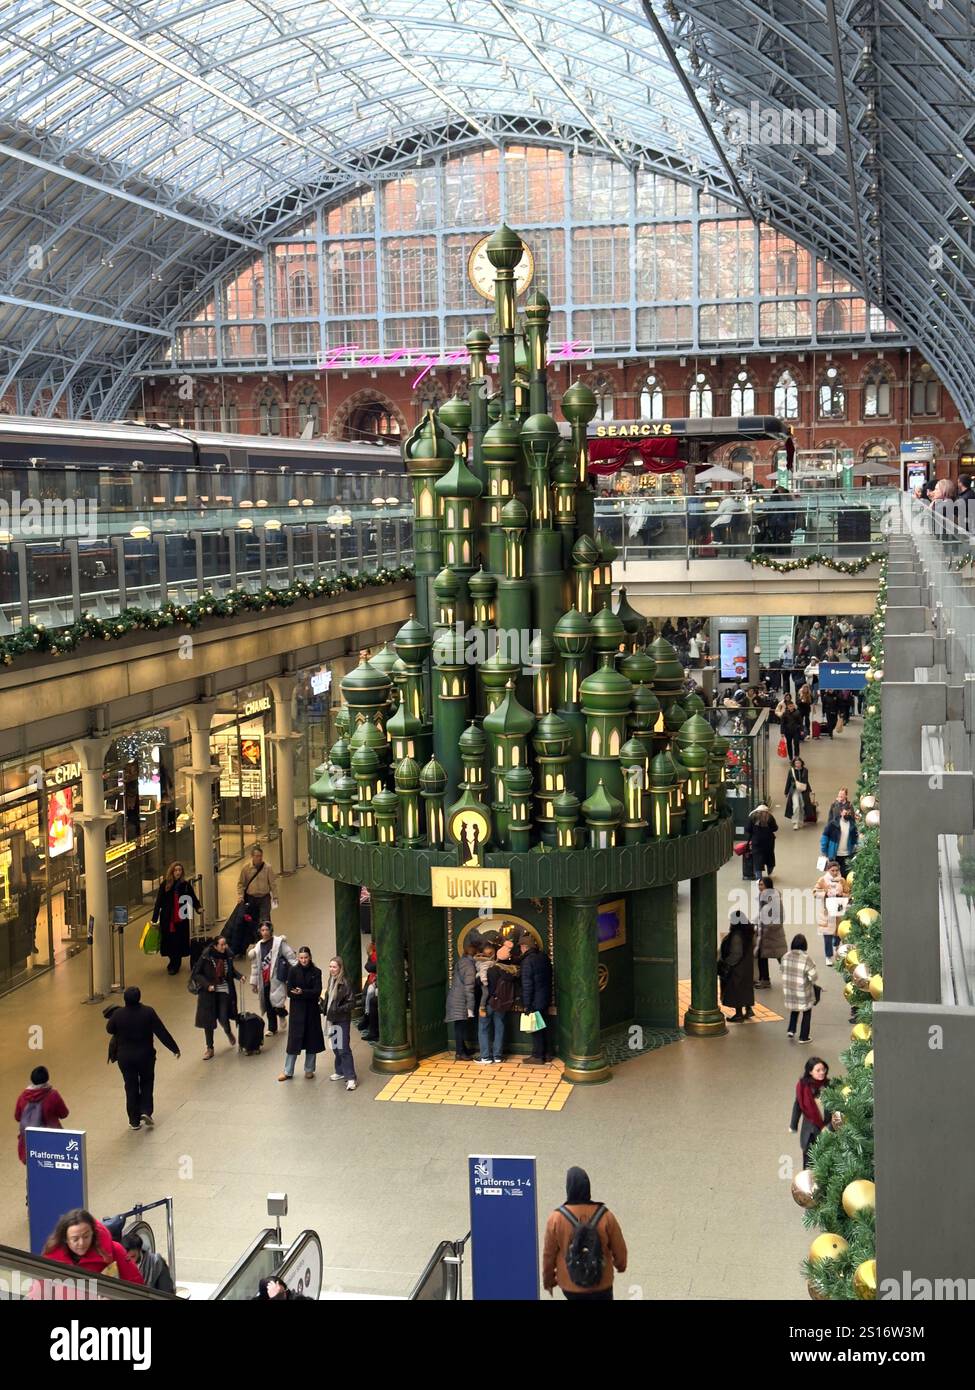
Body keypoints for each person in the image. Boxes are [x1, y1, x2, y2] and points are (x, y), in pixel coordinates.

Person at [542, 1167, 627, 1301]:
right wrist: (620, 1265)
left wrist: (549, 1280)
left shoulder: (556, 1218)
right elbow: (619, 1247)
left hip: (571, 1285)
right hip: (602, 1283)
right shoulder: (605, 1215)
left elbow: (549, 1254)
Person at [105, 986, 180, 1130]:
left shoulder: (118, 1014)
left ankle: (134, 1120)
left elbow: (109, 1029)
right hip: (145, 1056)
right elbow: (161, 1031)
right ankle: (146, 1111)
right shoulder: (148, 1012)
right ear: (139, 997)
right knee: (146, 1082)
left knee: (130, 1086)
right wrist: (174, 1048)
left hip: (125, 1057)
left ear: (124, 999)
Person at [41, 1209, 144, 1287]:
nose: (81, 1243)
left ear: (93, 1233)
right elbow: (39, 1290)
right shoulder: (51, 1259)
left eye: (86, 1236)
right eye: (75, 1239)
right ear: (65, 1239)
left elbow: (136, 1285)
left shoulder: (114, 1250)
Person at [279, 946, 326, 1081]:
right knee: (293, 1042)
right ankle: (288, 1071)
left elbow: (317, 991)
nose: (304, 960)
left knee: (311, 1041)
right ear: (298, 958)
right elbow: (289, 991)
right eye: (301, 958)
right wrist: (306, 994)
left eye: (306, 958)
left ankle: (309, 1069)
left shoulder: (316, 972)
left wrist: (302, 993)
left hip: (311, 1012)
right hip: (297, 1012)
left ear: (310, 957)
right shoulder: (293, 971)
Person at [191, 935, 241, 1059]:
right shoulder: (206, 957)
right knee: (208, 1021)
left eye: (225, 944)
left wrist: (239, 976)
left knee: (223, 1016)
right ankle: (209, 1047)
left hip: (223, 989)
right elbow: (197, 974)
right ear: (215, 946)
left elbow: (231, 970)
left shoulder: (227, 955)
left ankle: (228, 1031)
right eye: (222, 945)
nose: (225, 947)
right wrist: (207, 985)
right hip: (208, 993)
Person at [151, 861, 201, 975]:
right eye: (176, 870)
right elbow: (159, 901)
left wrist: (198, 908)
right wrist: (155, 917)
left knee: (178, 940)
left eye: (180, 870)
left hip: (181, 919)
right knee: (169, 940)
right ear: (172, 871)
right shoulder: (165, 885)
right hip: (168, 918)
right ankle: (172, 961)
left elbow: (192, 898)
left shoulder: (186, 885)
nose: (178, 872)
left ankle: (176, 963)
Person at [249, 921, 297, 1038]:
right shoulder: (258, 947)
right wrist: (254, 983)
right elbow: (255, 966)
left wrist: (299, 970)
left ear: (271, 930)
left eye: (266, 930)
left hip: (277, 977)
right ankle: (272, 1028)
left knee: (278, 1001)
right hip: (263, 979)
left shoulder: (278, 943)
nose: (264, 932)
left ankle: (282, 1014)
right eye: (262, 930)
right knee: (268, 1004)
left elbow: (290, 955)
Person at [15, 1065, 68, 1165]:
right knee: (53, 1165)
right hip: (52, 1140)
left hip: (29, 1141)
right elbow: (64, 1114)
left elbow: (17, 1117)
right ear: (47, 1078)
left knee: (33, 1168)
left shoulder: (23, 1096)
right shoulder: (53, 1095)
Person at [479, 937, 518, 1064]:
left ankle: (485, 1056)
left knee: (484, 1028)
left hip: (489, 1002)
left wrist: (482, 1005)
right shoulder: (511, 971)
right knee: (499, 1027)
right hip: (502, 1004)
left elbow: (485, 987)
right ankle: (498, 1056)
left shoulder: (491, 970)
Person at [790, 1056, 830, 1168]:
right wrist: (793, 1125)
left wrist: (830, 1127)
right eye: (818, 1070)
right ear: (810, 1072)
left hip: (826, 1129)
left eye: (823, 1069)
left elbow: (836, 1110)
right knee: (808, 1161)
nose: (822, 1072)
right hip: (810, 1130)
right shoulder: (803, 1087)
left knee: (826, 1159)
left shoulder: (829, 1086)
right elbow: (797, 1106)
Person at [324, 955, 357, 1091]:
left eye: (334, 967)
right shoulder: (331, 980)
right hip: (332, 1018)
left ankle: (351, 1078)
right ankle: (340, 1071)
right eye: (330, 966)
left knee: (343, 1048)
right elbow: (329, 998)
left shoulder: (345, 983)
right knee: (336, 1047)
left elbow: (352, 1002)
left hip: (341, 1019)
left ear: (340, 968)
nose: (332, 969)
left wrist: (338, 1009)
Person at [519, 935, 553, 1065]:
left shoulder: (528, 961)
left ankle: (537, 1056)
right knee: (543, 1026)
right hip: (544, 997)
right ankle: (547, 1053)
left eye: (521, 946)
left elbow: (527, 985)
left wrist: (527, 1004)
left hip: (535, 1000)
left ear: (524, 947)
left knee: (536, 1028)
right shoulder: (543, 957)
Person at [717, 911, 755, 1022]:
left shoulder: (737, 936)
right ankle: (748, 1009)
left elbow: (735, 954)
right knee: (746, 989)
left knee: (737, 990)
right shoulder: (749, 932)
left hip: (738, 969)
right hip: (747, 967)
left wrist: (726, 963)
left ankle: (738, 1015)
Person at [781, 934, 819, 1044]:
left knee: (795, 1008)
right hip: (803, 990)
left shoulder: (786, 956)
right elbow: (813, 976)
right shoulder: (806, 959)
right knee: (806, 1011)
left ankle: (791, 1030)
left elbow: (782, 969)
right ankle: (804, 1037)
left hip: (789, 989)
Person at [445, 939, 478, 1061]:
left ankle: (462, 1049)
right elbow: (469, 988)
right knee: (460, 1026)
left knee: (459, 1026)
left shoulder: (462, 961)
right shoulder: (469, 966)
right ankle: (460, 1053)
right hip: (461, 1000)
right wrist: (470, 1007)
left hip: (455, 998)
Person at [237, 843, 277, 936]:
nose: (259, 858)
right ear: (252, 856)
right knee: (252, 920)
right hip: (251, 898)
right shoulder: (246, 868)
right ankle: (256, 938)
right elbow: (241, 884)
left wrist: (275, 896)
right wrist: (240, 896)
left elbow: (272, 883)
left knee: (265, 919)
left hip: (264, 898)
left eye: (261, 856)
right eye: (257, 856)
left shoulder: (268, 867)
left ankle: (267, 938)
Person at [813, 860, 851, 959]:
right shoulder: (822, 880)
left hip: (839, 911)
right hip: (826, 912)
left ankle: (836, 946)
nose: (834, 872)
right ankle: (828, 956)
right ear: (828, 870)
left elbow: (848, 894)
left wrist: (842, 895)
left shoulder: (842, 880)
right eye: (832, 870)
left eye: (836, 870)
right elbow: (815, 892)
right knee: (827, 935)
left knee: (838, 933)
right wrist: (825, 893)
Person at [754, 877, 787, 988]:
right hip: (764, 935)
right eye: (759, 885)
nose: (760, 887)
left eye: (762, 885)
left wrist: (768, 926)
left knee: (781, 958)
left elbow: (781, 917)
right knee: (761, 956)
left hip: (773, 935)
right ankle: (765, 980)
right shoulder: (762, 897)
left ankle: (793, 976)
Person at [820, 806, 859, 878]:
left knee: (845, 876)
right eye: (846, 812)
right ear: (841, 812)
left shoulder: (853, 826)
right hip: (834, 856)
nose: (848, 814)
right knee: (833, 876)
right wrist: (824, 852)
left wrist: (855, 849)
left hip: (847, 855)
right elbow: (824, 838)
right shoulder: (833, 824)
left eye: (849, 813)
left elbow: (855, 840)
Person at [747, 805, 778, 879]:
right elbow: (775, 828)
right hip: (769, 841)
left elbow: (748, 829)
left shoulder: (752, 817)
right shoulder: (770, 817)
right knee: (770, 857)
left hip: (757, 841)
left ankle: (759, 878)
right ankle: (770, 872)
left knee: (757, 859)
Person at [357, 940, 379, 1043]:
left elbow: (370, 967)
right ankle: (366, 1019)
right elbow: (368, 966)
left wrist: (370, 953)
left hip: (378, 983)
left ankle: (368, 1021)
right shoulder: (375, 953)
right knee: (366, 995)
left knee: (371, 999)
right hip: (373, 980)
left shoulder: (377, 953)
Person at [784, 756, 814, 830]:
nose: (797, 764)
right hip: (794, 790)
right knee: (796, 806)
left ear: (801, 763)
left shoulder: (805, 770)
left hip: (803, 790)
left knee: (802, 805)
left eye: (799, 763)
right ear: (794, 763)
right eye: (796, 763)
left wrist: (810, 790)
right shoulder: (791, 771)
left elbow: (806, 781)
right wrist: (786, 791)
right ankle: (795, 822)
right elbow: (788, 781)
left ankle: (801, 820)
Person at [777, 697, 804, 761]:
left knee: (796, 743)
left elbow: (800, 722)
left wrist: (801, 730)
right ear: (787, 707)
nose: (791, 707)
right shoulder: (785, 714)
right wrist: (782, 732)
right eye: (789, 706)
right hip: (788, 731)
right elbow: (782, 723)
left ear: (794, 706)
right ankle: (791, 757)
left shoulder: (797, 713)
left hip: (796, 731)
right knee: (789, 744)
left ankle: (796, 756)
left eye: (792, 706)